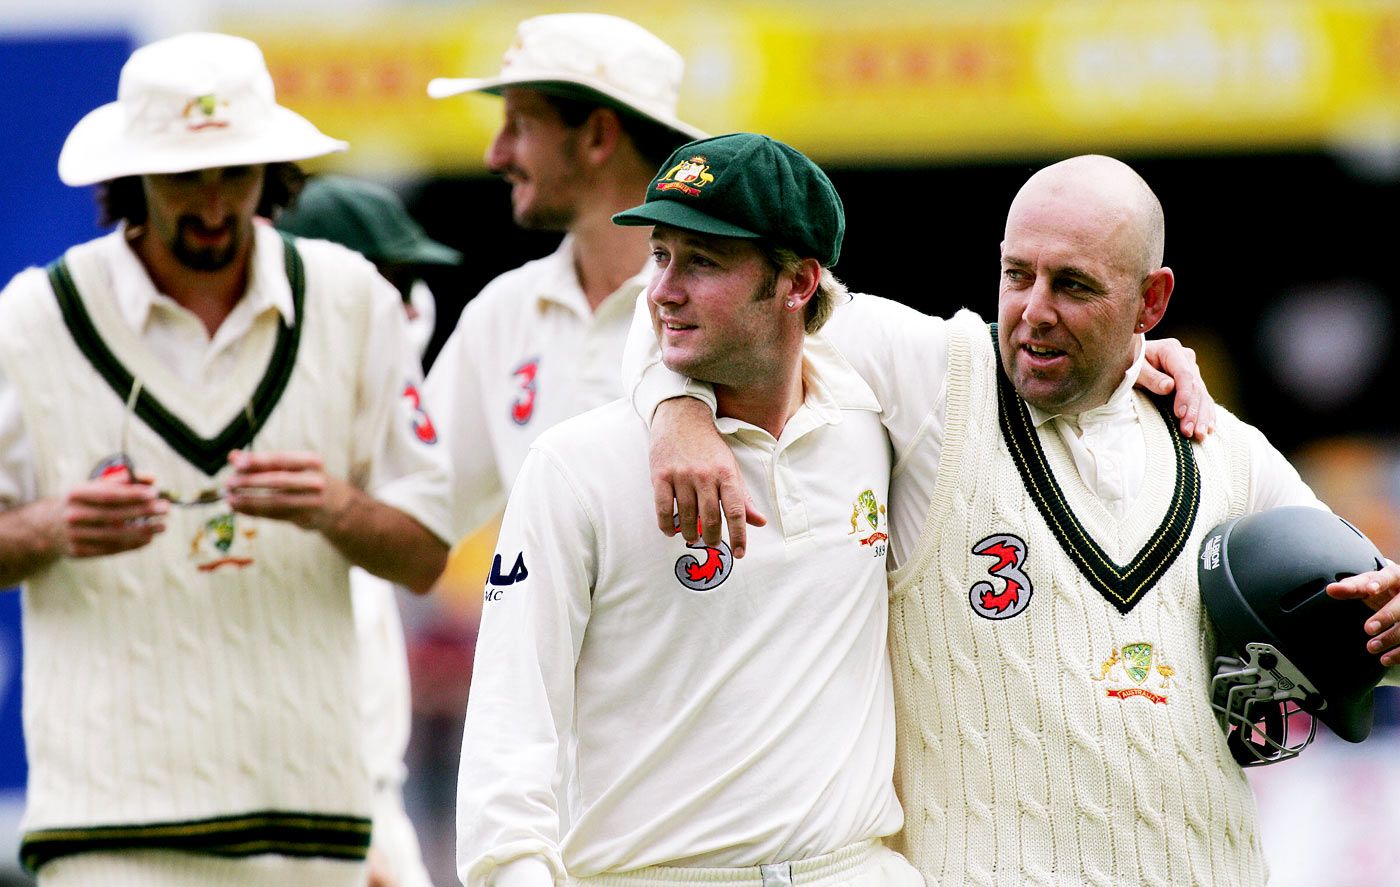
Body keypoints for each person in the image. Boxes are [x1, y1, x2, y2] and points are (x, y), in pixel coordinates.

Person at [633, 154, 1400, 885]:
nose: (1032, 311)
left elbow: (1364, 610)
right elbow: (679, 301)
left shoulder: (1228, 451)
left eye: (1072, 285)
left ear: (1151, 302)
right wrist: (677, 406)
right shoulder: (941, 379)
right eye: (1015, 274)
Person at [0, 33, 453, 886]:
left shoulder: (355, 300)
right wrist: (52, 524)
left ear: (272, 172)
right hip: (107, 827)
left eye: (234, 174)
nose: (212, 205)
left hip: (314, 826)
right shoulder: (34, 319)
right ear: (132, 177)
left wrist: (333, 506)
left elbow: (427, 551)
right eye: (183, 177)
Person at [456, 133, 924, 886]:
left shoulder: (875, 428)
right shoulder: (574, 466)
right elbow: (509, 736)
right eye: (661, 254)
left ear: (798, 282)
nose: (661, 290)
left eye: (702, 262)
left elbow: (1019, 370)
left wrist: (1142, 361)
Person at [422, 12, 708, 543]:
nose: (495, 154)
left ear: (598, 135)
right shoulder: (502, 311)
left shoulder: (723, 306)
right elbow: (417, 518)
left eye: (520, 124)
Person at [277, 174, 462, 887]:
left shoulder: (376, 398)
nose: (410, 303)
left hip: (368, 793)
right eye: (393, 279)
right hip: (322, 807)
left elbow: (423, 552)